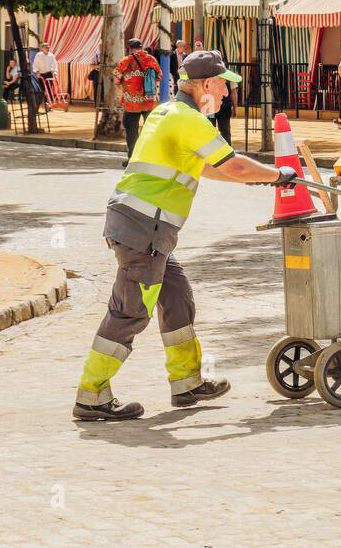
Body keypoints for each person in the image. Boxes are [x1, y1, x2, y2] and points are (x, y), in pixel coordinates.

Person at [72, 50, 300, 421]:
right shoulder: (190, 120)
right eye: (225, 86)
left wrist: (253, 177)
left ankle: (187, 383)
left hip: (144, 227)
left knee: (177, 298)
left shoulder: (166, 112)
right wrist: (276, 175)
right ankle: (91, 394)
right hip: (145, 228)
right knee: (130, 312)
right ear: (207, 84)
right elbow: (235, 165)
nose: (227, 95)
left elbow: (209, 168)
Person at [113, 38, 163, 163]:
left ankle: (133, 159)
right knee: (150, 131)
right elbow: (159, 77)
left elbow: (116, 80)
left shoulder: (125, 61)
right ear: (141, 47)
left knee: (131, 132)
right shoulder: (151, 59)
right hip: (149, 101)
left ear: (129, 48)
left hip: (131, 103)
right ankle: (149, 157)